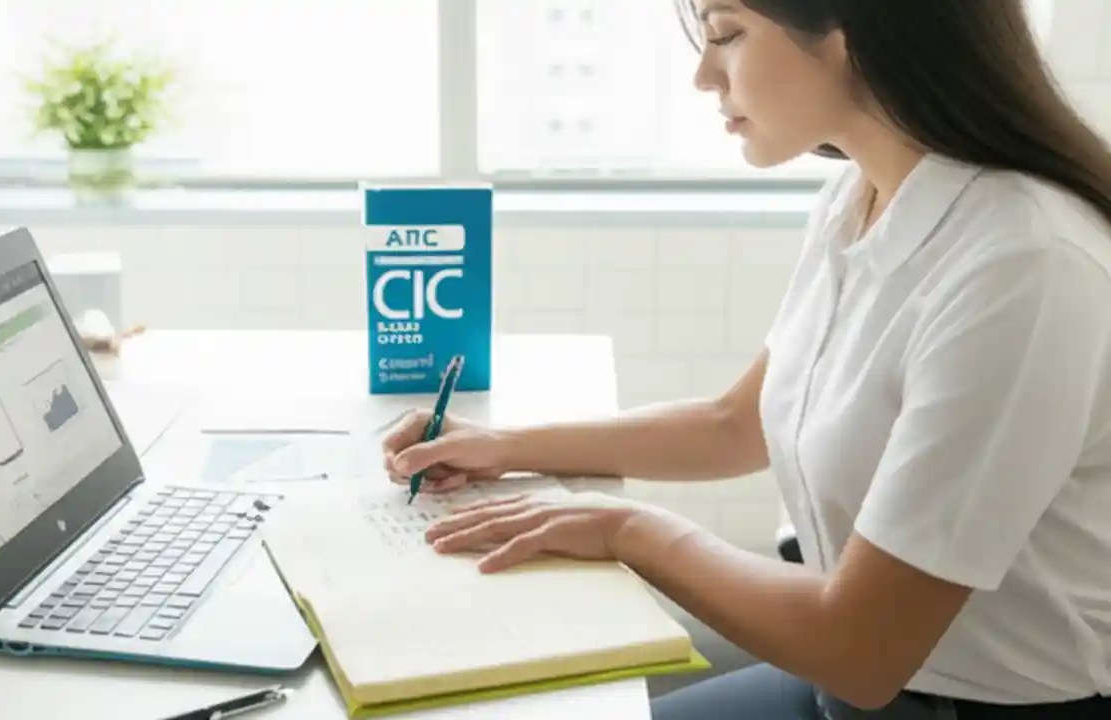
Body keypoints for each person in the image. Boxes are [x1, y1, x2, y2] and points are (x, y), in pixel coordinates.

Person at [381, 1, 1111, 718]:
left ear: (851, 33)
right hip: (854, 686)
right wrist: (505, 447)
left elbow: (862, 648)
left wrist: (627, 529)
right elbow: (737, 424)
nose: (704, 74)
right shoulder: (859, 198)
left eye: (726, 34)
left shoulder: (1023, 266)